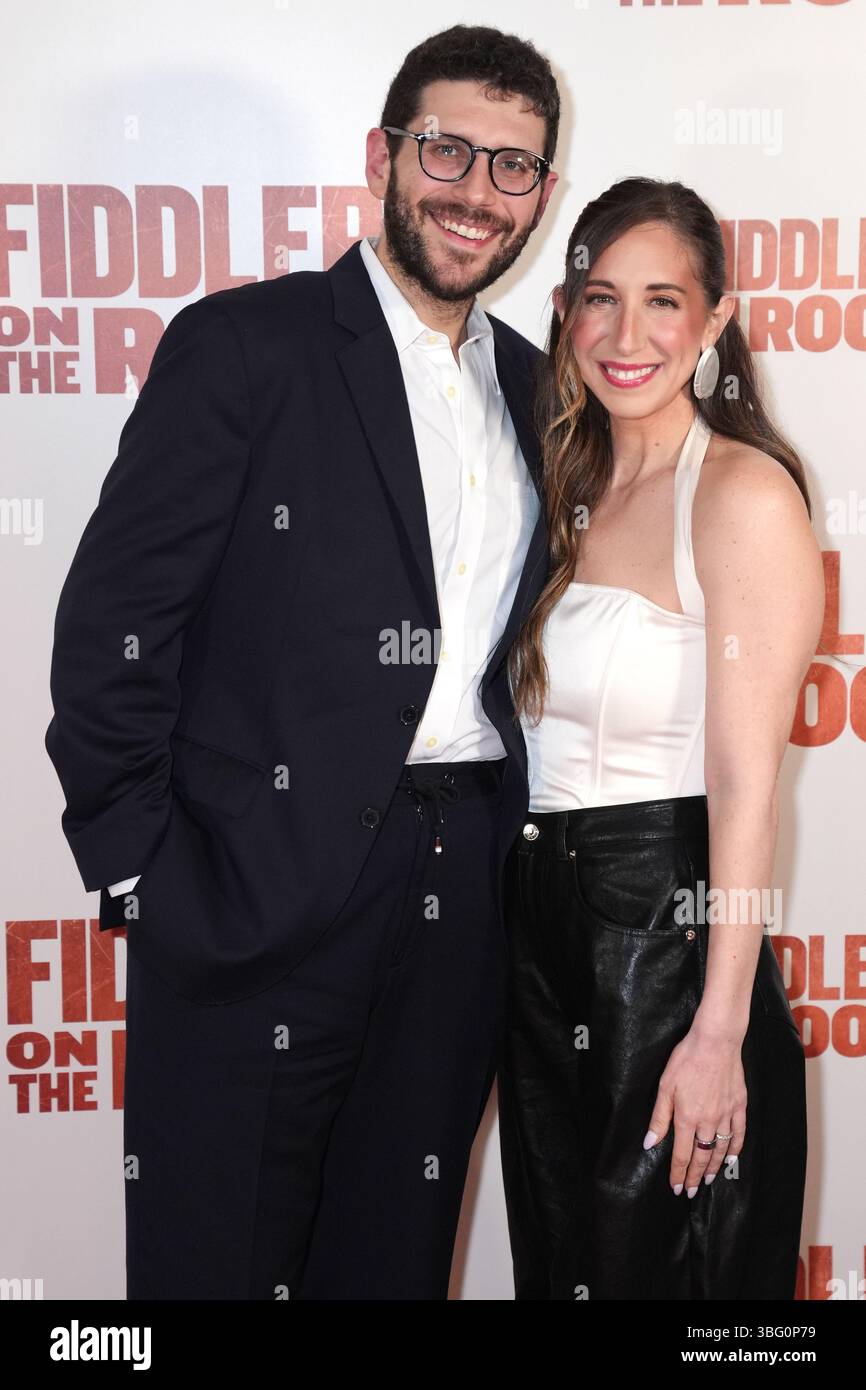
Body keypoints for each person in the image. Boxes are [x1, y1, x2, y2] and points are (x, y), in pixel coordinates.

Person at [44, 24, 560, 1300]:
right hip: (247, 888)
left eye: (512, 167)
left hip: (457, 899)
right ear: (383, 155)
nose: (474, 191)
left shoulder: (545, 395)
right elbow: (113, 625)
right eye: (447, 149)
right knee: (212, 1265)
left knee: (389, 1265)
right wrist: (143, 873)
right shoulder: (245, 347)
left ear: (542, 198)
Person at [497, 177, 825, 1300]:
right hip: (538, 943)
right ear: (563, 309)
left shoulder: (739, 495)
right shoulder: (564, 481)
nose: (623, 336)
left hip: (664, 942)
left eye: (661, 302)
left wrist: (718, 1030)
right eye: (598, 298)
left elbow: (742, 789)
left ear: (715, 321)